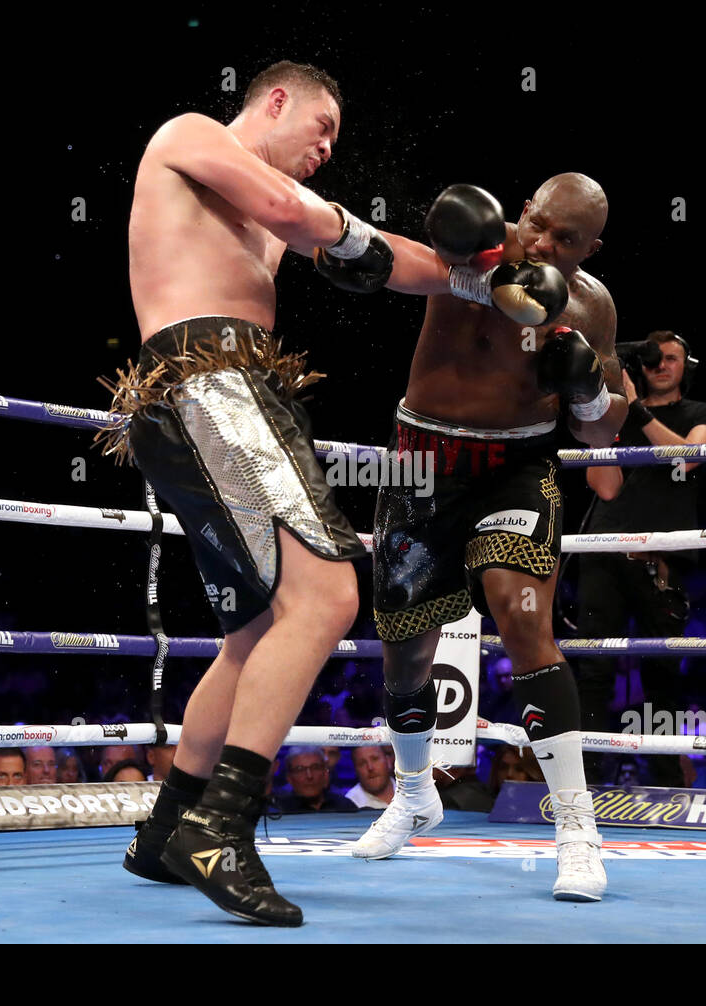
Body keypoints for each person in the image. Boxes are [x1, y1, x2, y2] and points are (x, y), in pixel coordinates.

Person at [105, 61, 464, 927]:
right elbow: (299, 216)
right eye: (322, 128)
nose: (327, 149)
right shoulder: (191, 135)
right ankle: (220, 829)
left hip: (218, 395)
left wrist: (474, 274)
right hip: (209, 380)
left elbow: (387, 259)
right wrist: (345, 234)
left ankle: (166, 830)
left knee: (256, 630)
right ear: (275, 101)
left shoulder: (272, 202)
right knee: (330, 591)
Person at [353, 175, 627, 902]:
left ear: (590, 247)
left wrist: (588, 388)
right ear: (523, 210)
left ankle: (576, 830)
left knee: (523, 612)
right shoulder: (471, 246)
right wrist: (350, 249)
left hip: (515, 462)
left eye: (564, 239)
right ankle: (414, 793)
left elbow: (603, 429)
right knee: (405, 647)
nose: (539, 242)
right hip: (421, 458)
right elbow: (394, 264)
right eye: (536, 222)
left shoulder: (590, 307)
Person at [571, 329, 706, 789]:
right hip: (604, 548)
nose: (661, 365)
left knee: (660, 668)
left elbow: (687, 460)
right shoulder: (615, 414)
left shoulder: (703, 413)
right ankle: (587, 780)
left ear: (687, 366)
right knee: (595, 666)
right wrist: (606, 413)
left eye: (671, 358)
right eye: (653, 358)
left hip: (663, 557)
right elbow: (604, 486)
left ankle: (664, 780)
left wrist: (636, 410)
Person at [274, 748, 357, 813]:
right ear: (289, 778)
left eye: (315, 767)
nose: (309, 776)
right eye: (300, 769)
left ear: (325, 773)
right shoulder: (279, 812)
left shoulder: (345, 807)